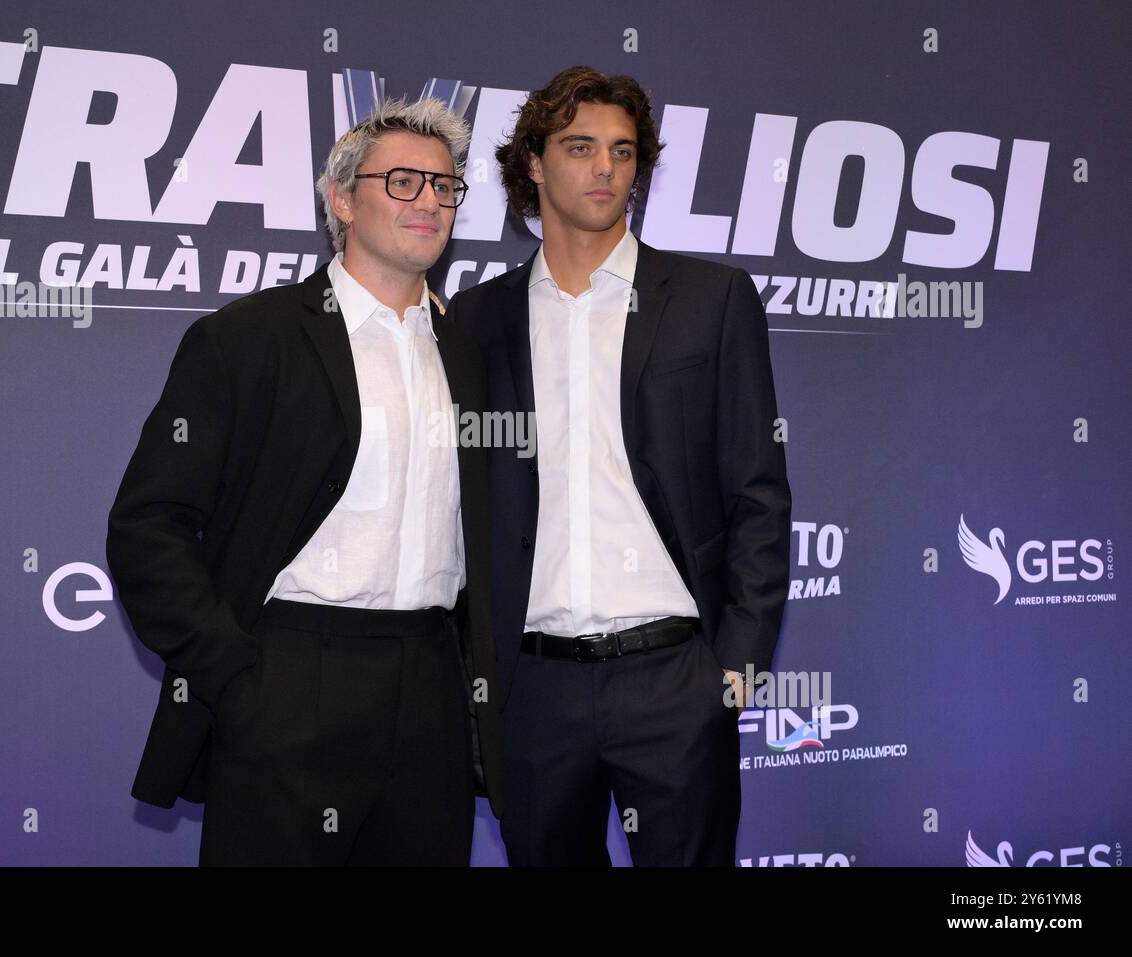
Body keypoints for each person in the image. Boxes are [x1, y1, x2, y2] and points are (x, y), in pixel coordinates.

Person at [106, 96, 501, 865]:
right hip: (288, 674)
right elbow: (146, 525)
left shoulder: (470, 356)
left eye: (445, 186)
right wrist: (236, 675)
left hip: (432, 690)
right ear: (343, 200)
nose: (429, 201)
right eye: (404, 182)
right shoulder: (246, 340)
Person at [448, 66, 791, 866]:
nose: (606, 167)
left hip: (675, 678)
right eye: (579, 147)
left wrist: (732, 670)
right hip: (533, 688)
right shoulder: (478, 316)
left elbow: (758, 493)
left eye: (624, 151)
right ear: (533, 163)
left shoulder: (711, 299)